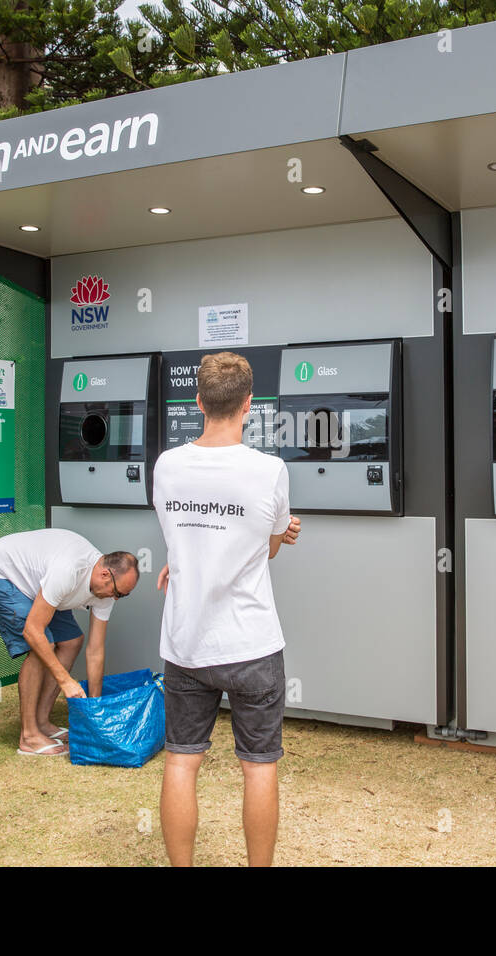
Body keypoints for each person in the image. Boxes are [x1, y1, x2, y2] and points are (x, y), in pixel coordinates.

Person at [152, 351, 301, 867]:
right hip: (251, 643)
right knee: (259, 767)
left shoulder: (167, 465)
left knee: (181, 761)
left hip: (187, 642)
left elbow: (181, 540)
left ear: (197, 402)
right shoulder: (270, 470)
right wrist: (281, 532)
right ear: (248, 405)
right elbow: (270, 546)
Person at [0, 530, 140, 756]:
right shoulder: (69, 569)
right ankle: (29, 736)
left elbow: (95, 650)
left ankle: (42, 721)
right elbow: (32, 631)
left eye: (123, 595)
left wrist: (94, 709)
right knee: (42, 646)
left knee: (73, 641)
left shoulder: (107, 589)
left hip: (43, 584)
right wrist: (66, 681)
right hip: (2, 573)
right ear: (104, 574)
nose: (116, 598)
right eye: (118, 593)